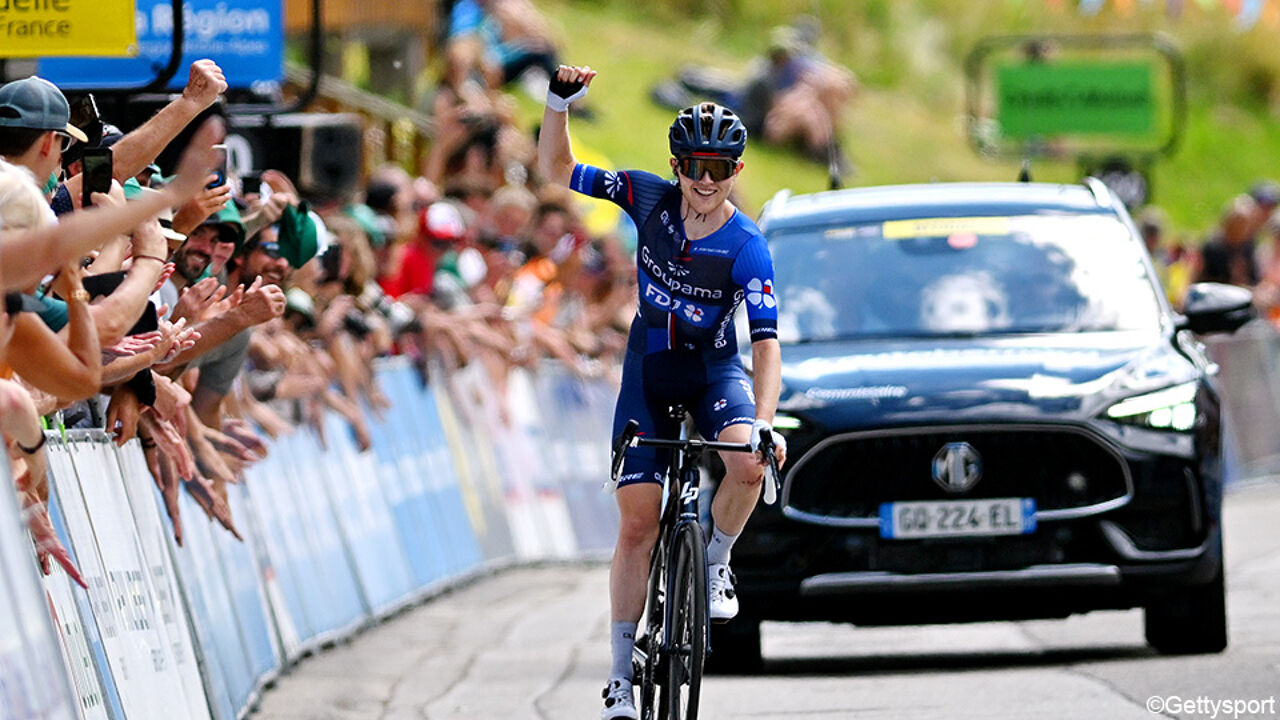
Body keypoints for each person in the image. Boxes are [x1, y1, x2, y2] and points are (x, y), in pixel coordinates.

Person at [537, 65, 787, 720]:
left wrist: (763, 420)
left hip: (712, 372)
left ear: (736, 171)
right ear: (675, 165)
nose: (705, 182)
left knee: (747, 462)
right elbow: (557, 168)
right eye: (693, 167)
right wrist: (559, 103)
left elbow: (765, 344)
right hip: (649, 367)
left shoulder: (747, 246)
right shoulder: (645, 199)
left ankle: (717, 559)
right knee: (638, 522)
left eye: (720, 169)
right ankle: (620, 678)